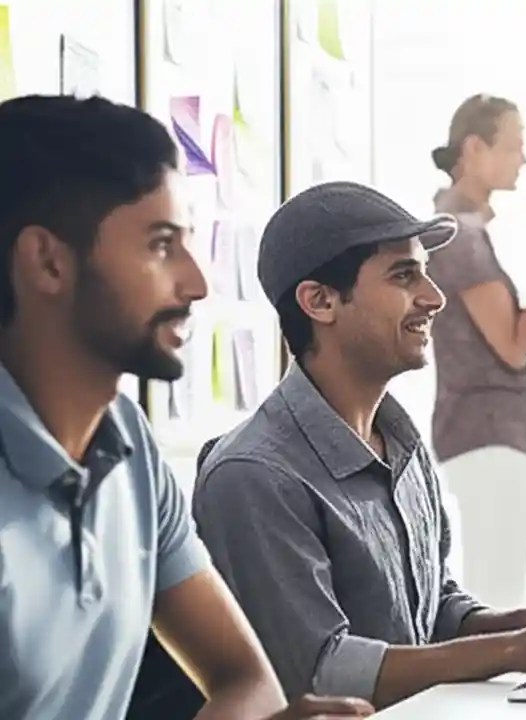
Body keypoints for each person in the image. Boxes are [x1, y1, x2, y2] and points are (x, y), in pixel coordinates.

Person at [192, 181, 526, 710]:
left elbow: (433, 612)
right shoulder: (253, 475)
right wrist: (516, 648)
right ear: (320, 301)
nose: (434, 297)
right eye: (403, 275)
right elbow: (318, 671)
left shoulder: (401, 444)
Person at [0, 95, 371, 719]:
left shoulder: (128, 442)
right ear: (48, 262)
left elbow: (245, 679)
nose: (197, 282)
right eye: (161, 244)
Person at [428, 94, 526, 607]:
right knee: (498, 589)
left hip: (479, 430)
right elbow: (514, 347)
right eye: (516, 145)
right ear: (474, 149)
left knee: (493, 582)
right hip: (488, 431)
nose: (525, 158)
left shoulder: (456, 229)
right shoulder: (461, 237)